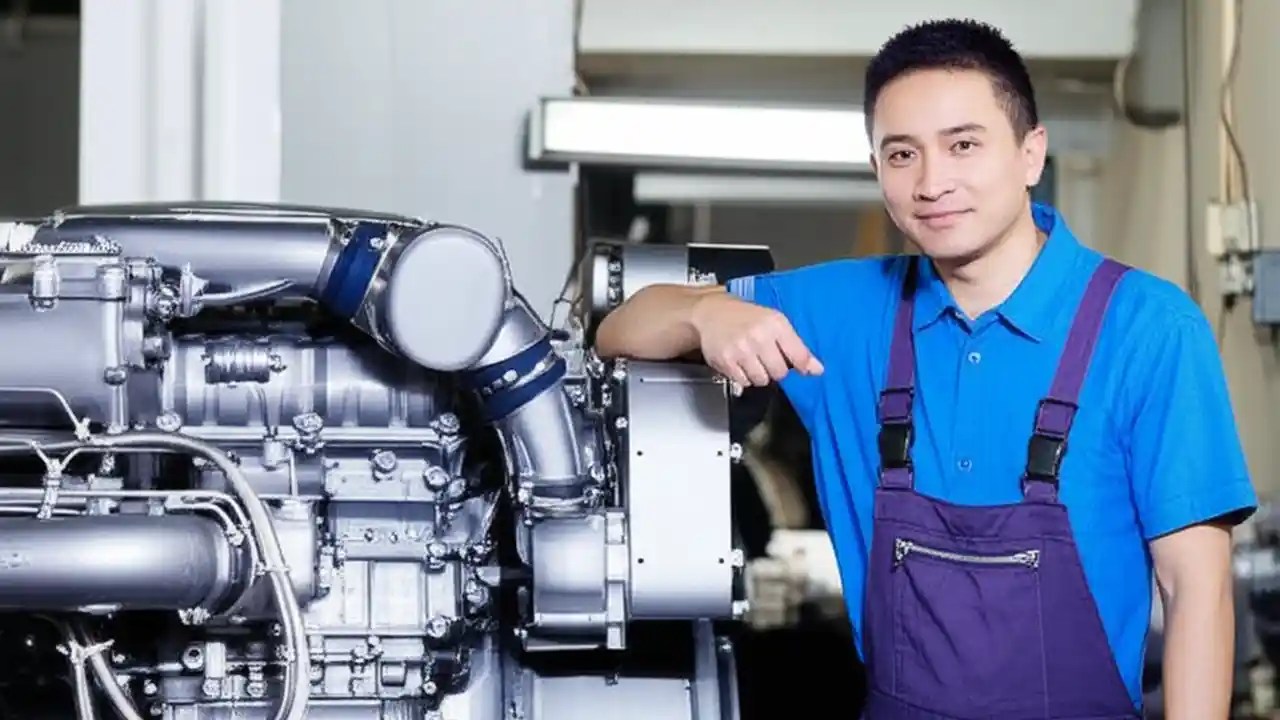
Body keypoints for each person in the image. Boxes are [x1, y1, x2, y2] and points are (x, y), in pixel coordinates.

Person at [594, 17, 1257, 719]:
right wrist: (704, 312)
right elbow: (617, 329)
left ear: (1030, 154)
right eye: (902, 153)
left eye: (964, 145)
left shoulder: (1150, 328)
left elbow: (1197, 593)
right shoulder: (843, 312)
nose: (933, 182)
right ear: (877, 169)